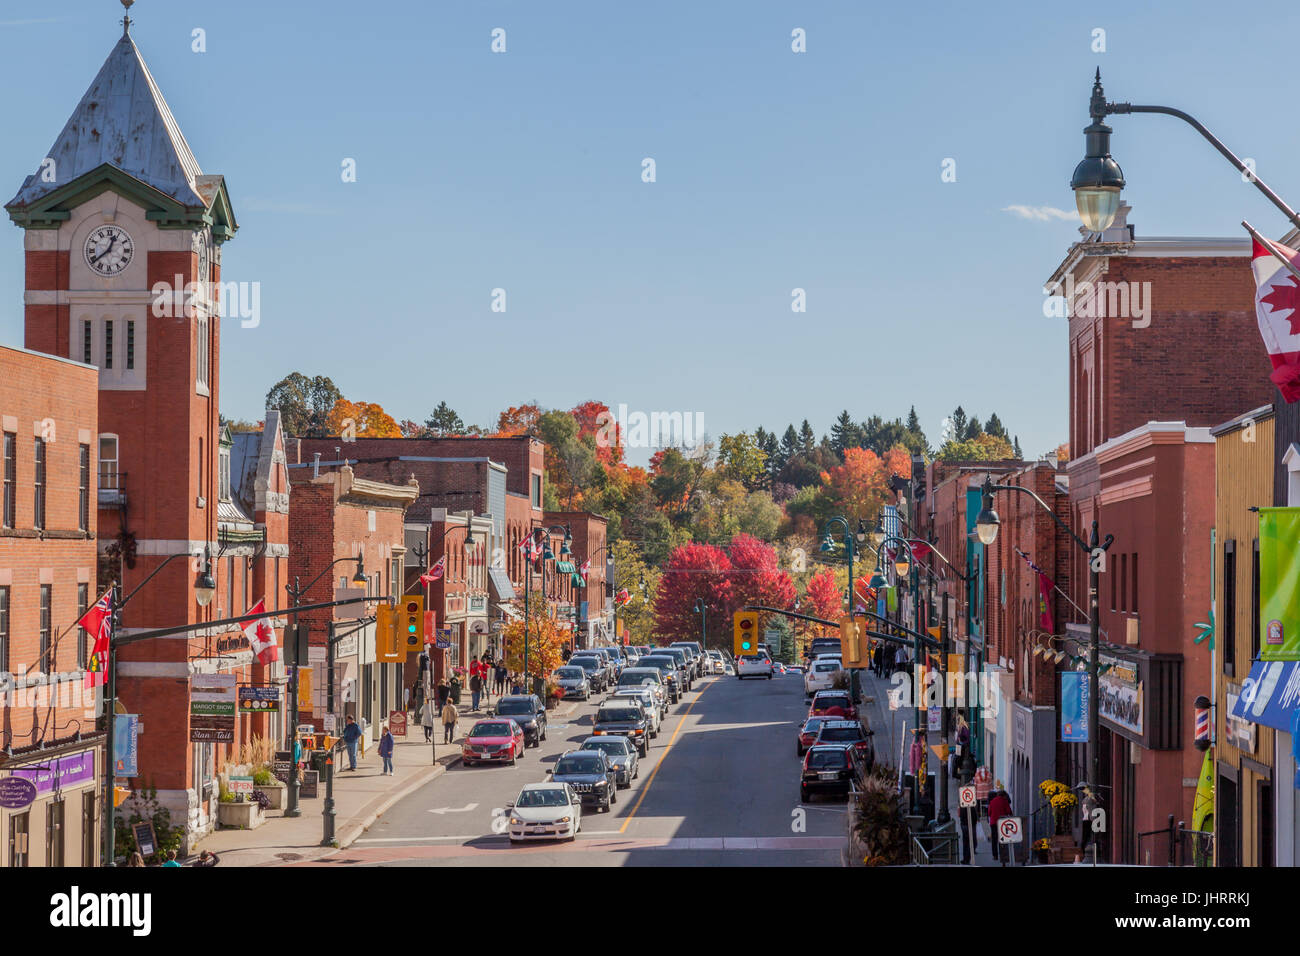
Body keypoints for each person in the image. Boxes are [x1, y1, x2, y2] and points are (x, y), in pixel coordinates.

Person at [987, 781, 1013, 866]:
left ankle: (995, 855)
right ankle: (1003, 857)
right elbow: (1009, 812)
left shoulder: (992, 801)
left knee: (994, 839)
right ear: (1003, 795)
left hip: (994, 822)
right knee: (1003, 840)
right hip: (1003, 823)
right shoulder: (1005, 801)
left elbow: (989, 813)